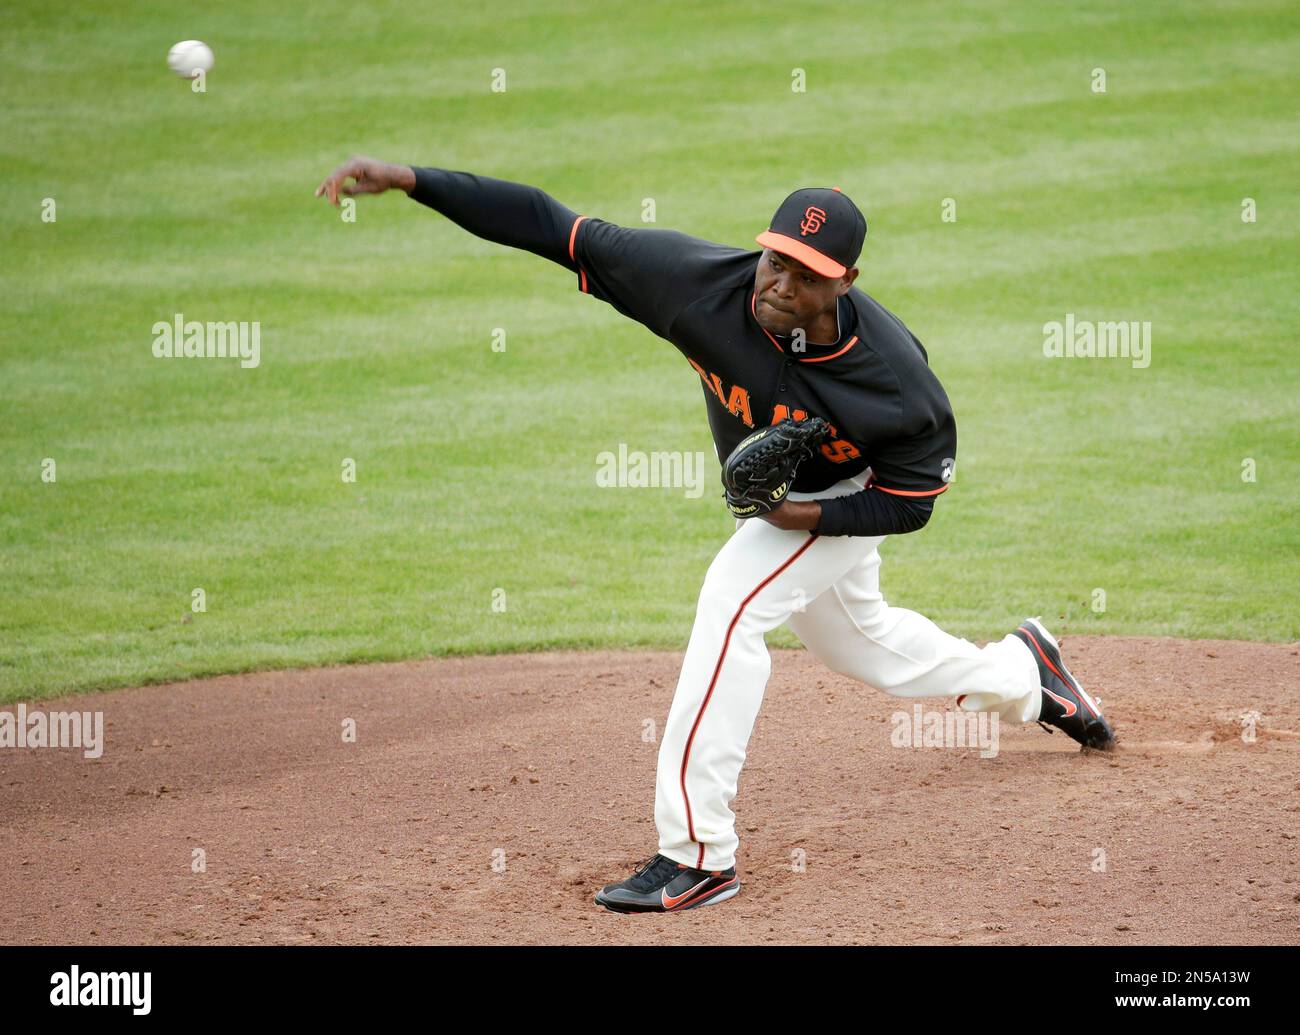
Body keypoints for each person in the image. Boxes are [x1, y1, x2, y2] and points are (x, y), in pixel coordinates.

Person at [315, 157, 1116, 915]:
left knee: (732, 603)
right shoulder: (692, 284)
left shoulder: (896, 381)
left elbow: (911, 499)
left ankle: (701, 854)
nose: (781, 284)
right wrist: (413, 181)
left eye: (808, 275)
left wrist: (804, 516)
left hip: (838, 499)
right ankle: (1027, 672)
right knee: (860, 645)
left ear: (845, 281)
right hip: (785, 504)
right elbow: (546, 224)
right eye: (776, 261)